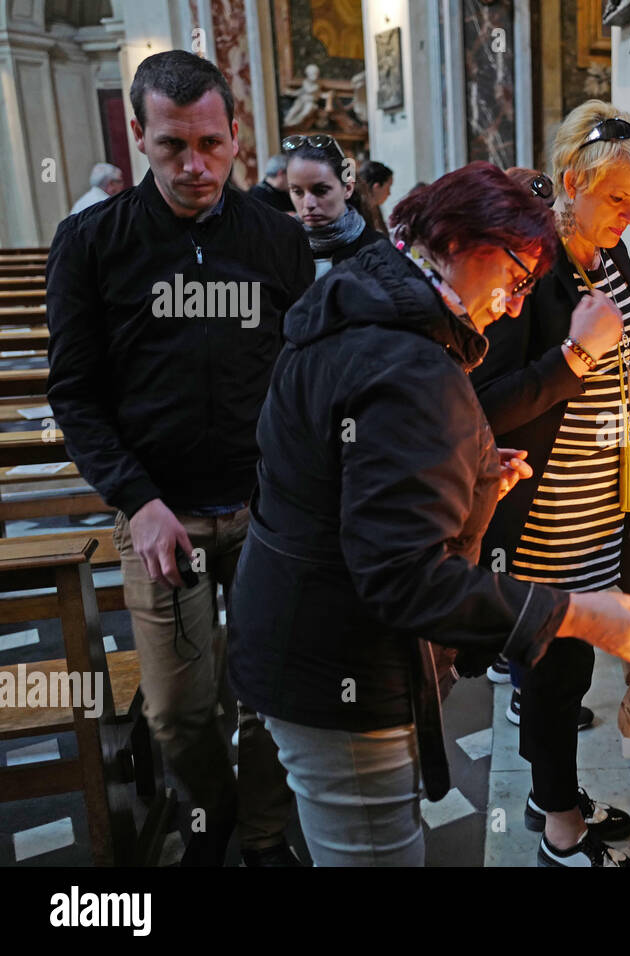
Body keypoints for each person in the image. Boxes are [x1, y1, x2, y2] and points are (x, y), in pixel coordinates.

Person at [227, 161, 630, 867]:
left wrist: (472, 477)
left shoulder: (374, 292)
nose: (520, 303)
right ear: (464, 244)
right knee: (376, 851)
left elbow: (363, 479)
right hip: (337, 662)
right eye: (519, 278)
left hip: (305, 634)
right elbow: (405, 578)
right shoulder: (407, 360)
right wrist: (584, 614)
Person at [45, 50, 313, 866]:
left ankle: (264, 835)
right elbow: (76, 395)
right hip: (158, 509)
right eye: (170, 147)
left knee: (272, 693)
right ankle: (213, 813)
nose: (194, 166)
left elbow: (305, 374)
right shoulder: (91, 242)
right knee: (177, 710)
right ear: (138, 137)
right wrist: (139, 500)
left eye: (210, 143)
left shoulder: (275, 238)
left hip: (266, 509)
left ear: (235, 133)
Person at [472, 102, 630, 868]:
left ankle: (548, 793)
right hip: (541, 510)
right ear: (571, 182)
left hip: (604, 505)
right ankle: (562, 830)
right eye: (619, 200)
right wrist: (576, 357)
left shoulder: (613, 260)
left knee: (577, 664)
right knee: (552, 671)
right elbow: (485, 407)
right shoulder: (528, 269)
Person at [283, 134, 384, 277]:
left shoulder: (377, 249)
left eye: (321, 190)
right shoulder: (280, 247)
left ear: (348, 188)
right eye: (297, 192)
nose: (308, 204)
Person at [357, 159, 394, 233]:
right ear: (376, 187)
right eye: (388, 187)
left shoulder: (374, 210)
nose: (389, 193)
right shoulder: (358, 215)